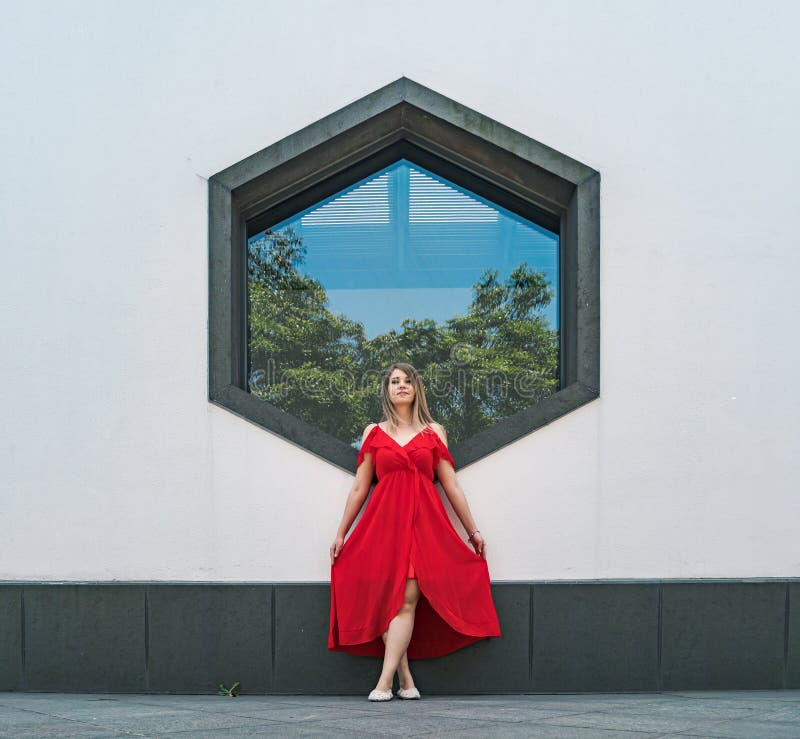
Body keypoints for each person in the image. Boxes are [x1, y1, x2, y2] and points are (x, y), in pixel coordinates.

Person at [328, 362, 501, 701]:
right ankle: (406, 679)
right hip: (382, 527)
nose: (401, 386)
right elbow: (360, 488)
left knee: (405, 600)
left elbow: (451, 485)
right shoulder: (373, 432)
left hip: (423, 527)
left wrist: (473, 531)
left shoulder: (434, 431)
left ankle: (383, 682)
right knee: (384, 603)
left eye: (407, 381)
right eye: (394, 381)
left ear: (417, 388)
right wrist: (341, 534)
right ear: (387, 390)